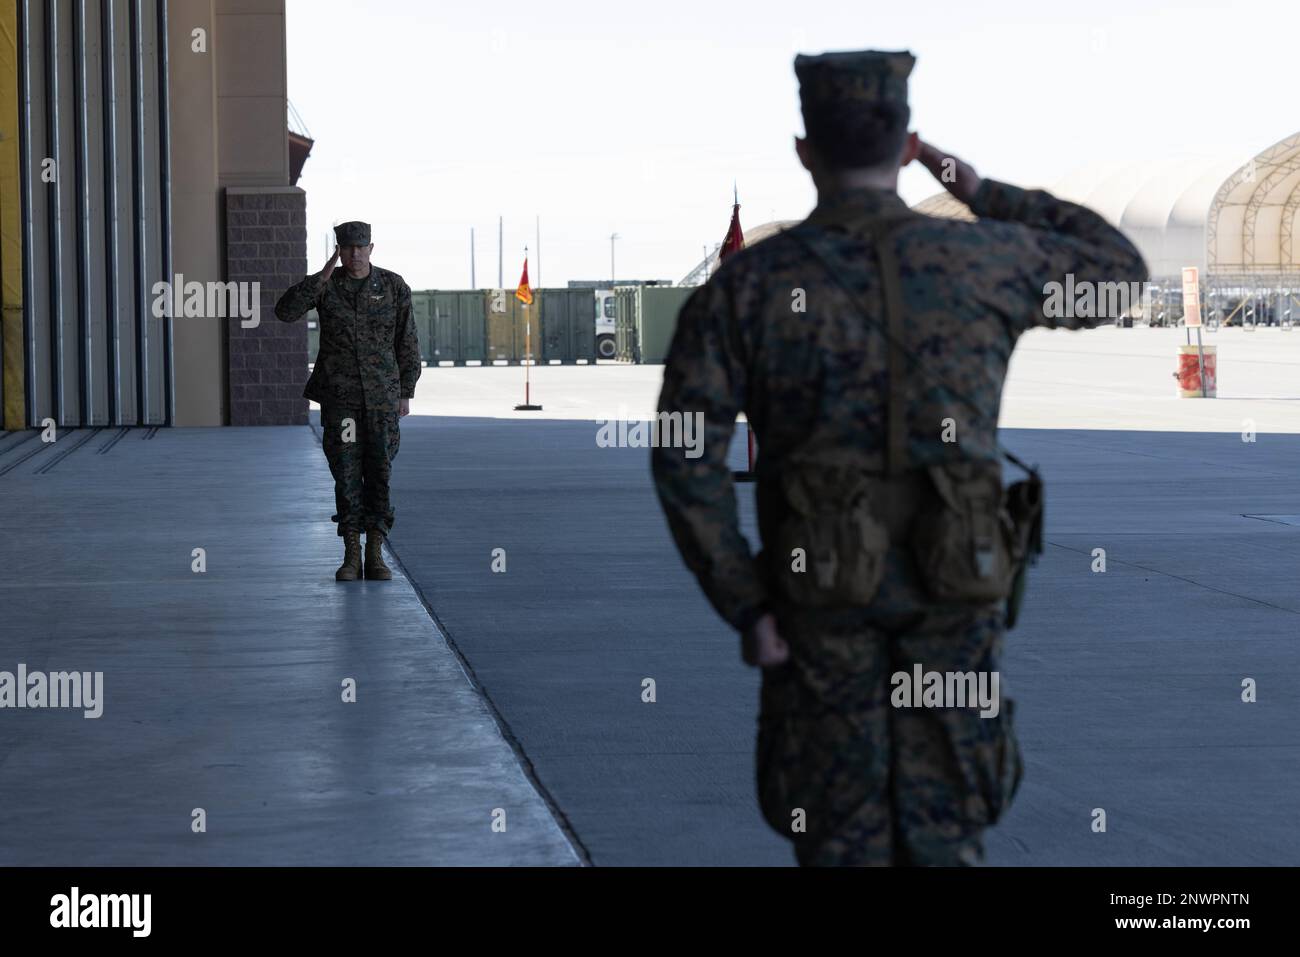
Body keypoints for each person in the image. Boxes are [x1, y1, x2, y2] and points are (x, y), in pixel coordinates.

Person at [650, 49, 1147, 865]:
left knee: (837, 833)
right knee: (947, 830)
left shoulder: (749, 286)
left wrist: (745, 601)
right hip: (956, 594)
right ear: (907, 143)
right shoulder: (988, 259)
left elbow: (683, 457)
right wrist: (977, 189)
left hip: (817, 605)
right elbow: (1119, 273)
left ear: (806, 149)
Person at [275, 221, 421, 582]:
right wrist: (320, 277)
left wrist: (406, 390)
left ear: (372, 248)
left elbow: (407, 340)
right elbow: (286, 311)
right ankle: (351, 555)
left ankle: (376, 553)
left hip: (382, 399)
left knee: (380, 473)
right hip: (341, 400)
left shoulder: (392, 286)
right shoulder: (328, 287)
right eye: (347, 248)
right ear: (338, 250)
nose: (355, 254)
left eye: (361, 247)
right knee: (346, 475)